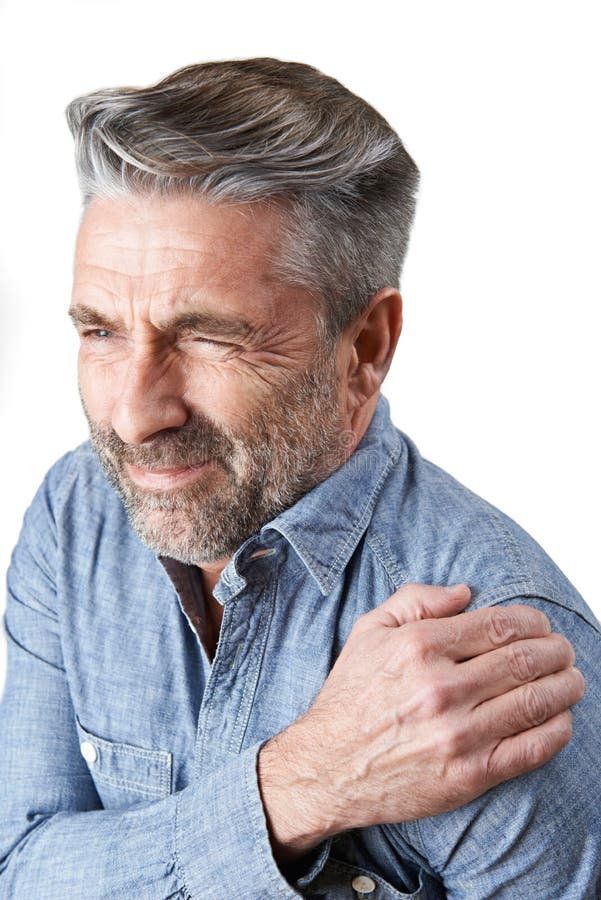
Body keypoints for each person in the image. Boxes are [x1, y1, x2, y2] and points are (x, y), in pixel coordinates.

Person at [0, 57, 598, 899]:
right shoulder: (77, 516)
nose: (133, 418)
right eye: (99, 332)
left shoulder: (499, 654)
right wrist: (298, 787)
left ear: (364, 349)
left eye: (209, 337)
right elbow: (18, 866)